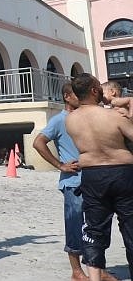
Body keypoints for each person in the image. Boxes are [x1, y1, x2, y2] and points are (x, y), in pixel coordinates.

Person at [33, 82, 118, 281]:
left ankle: (98, 269)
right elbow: (38, 142)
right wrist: (60, 164)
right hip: (73, 182)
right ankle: (77, 271)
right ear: (67, 97)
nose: (81, 99)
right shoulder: (59, 120)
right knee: (74, 225)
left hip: (94, 179)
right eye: (77, 96)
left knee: (96, 226)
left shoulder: (86, 117)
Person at [66, 73, 133, 281]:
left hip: (92, 175)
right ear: (95, 91)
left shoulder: (71, 119)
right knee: (130, 226)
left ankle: (94, 278)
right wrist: (128, 103)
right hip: (122, 172)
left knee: (94, 229)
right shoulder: (113, 116)